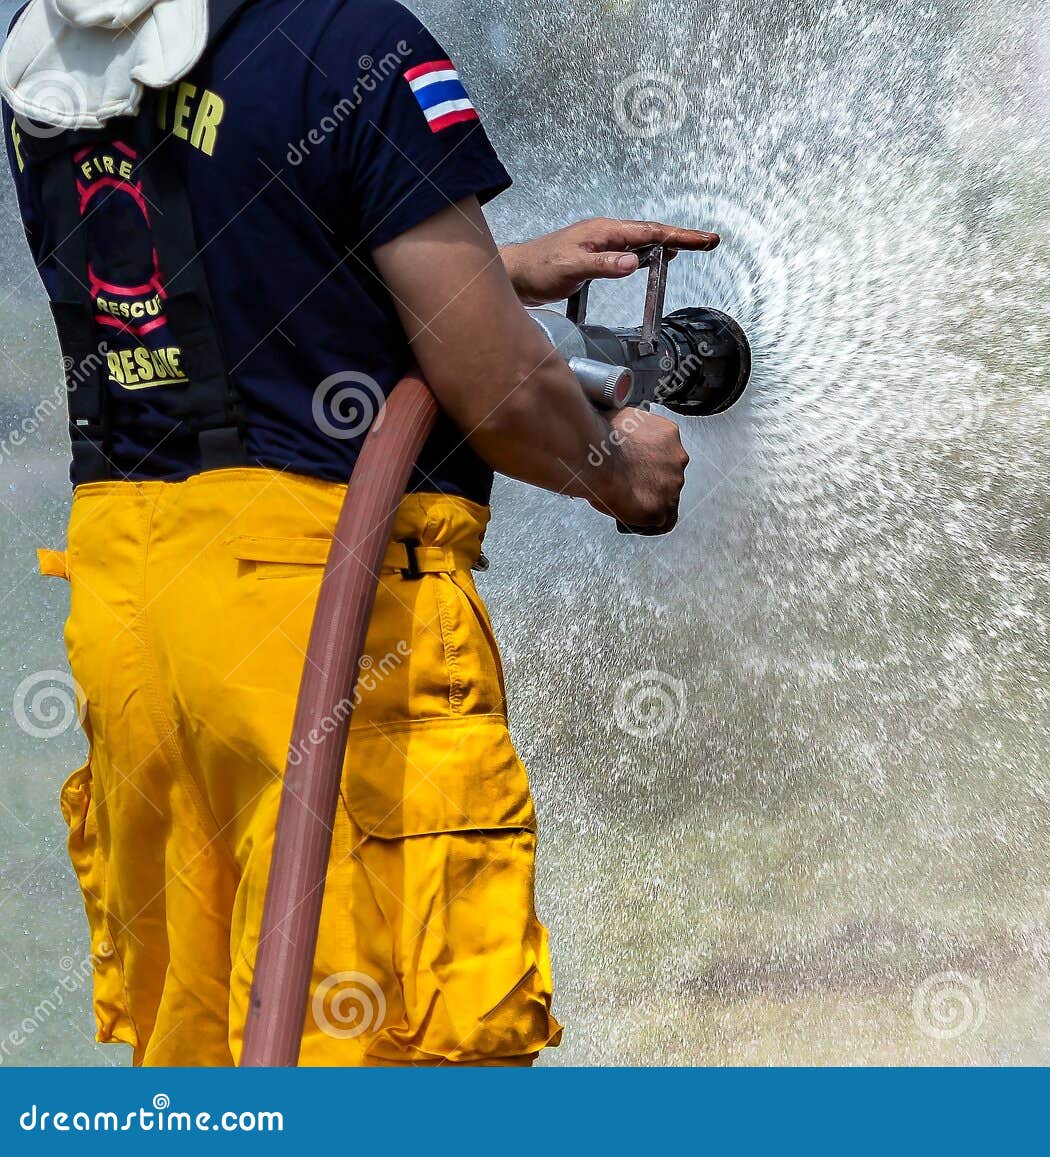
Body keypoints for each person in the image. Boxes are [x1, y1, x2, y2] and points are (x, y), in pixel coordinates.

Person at [2, 0, 716, 1065]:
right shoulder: (348, 42)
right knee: (381, 1054)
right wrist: (618, 472)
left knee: (208, 1049)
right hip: (319, 605)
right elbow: (500, 388)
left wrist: (492, 266)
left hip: (136, 619)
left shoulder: (50, 54)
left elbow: (229, 276)